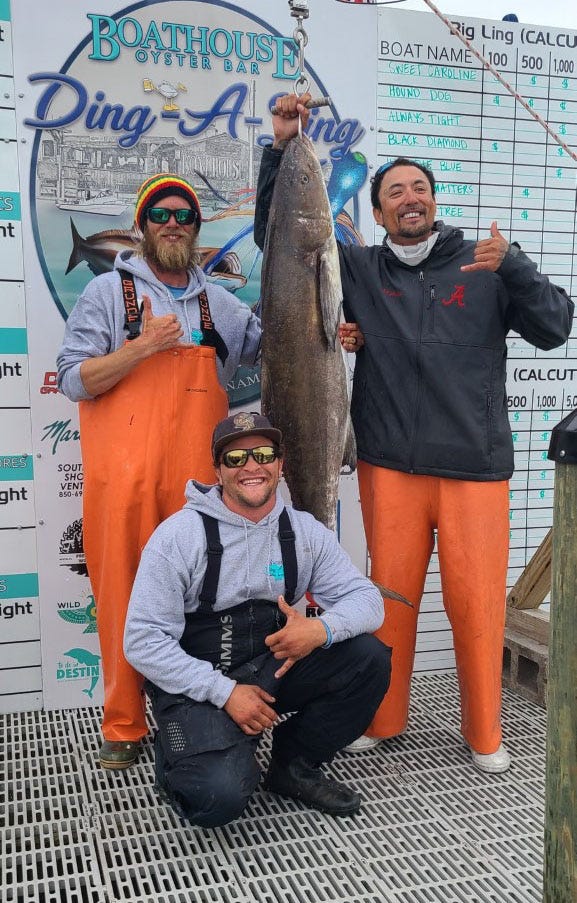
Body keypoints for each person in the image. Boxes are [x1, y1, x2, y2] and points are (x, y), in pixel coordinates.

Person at [254, 95, 574, 774]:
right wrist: (280, 149)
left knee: (477, 608)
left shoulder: (486, 263)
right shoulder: (361, 270)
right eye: (394, 191)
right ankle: (383, 718)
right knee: (388, 601)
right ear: (375, 213)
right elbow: (282, 241)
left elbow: (554, 328)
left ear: (433, 201)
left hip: (473, 471)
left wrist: (513, 261)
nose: (409, 199)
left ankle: (484, 732)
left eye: (419, 189)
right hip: (389, 467)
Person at [57, 174, 261, 770]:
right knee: (121, 599)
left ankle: (199, 721)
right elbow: (74, 378)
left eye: (184, 215)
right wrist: (140, 348)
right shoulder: (105, 293)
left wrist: (333, 330)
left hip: (199, 493)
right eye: (159, 214)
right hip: (121, 489)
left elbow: (273, 348)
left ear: (198, 230)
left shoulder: (221, 304)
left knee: (205, 605)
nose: (172, 223)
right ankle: (123, 724)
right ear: (142, 225)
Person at [123, 411, 391, 826]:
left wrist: (320, 630)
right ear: (217, 470)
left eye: (264, 454)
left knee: (368, 657)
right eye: (235, 458)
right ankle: (183, 754)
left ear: (280, 464)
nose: (252, 466)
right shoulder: (178, 536)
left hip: (270, 667)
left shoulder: (305, 532)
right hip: (198, 679)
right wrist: (225, 693)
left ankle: (293, 766)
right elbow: (142, 641)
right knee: (217, 799)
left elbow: (369, 601)